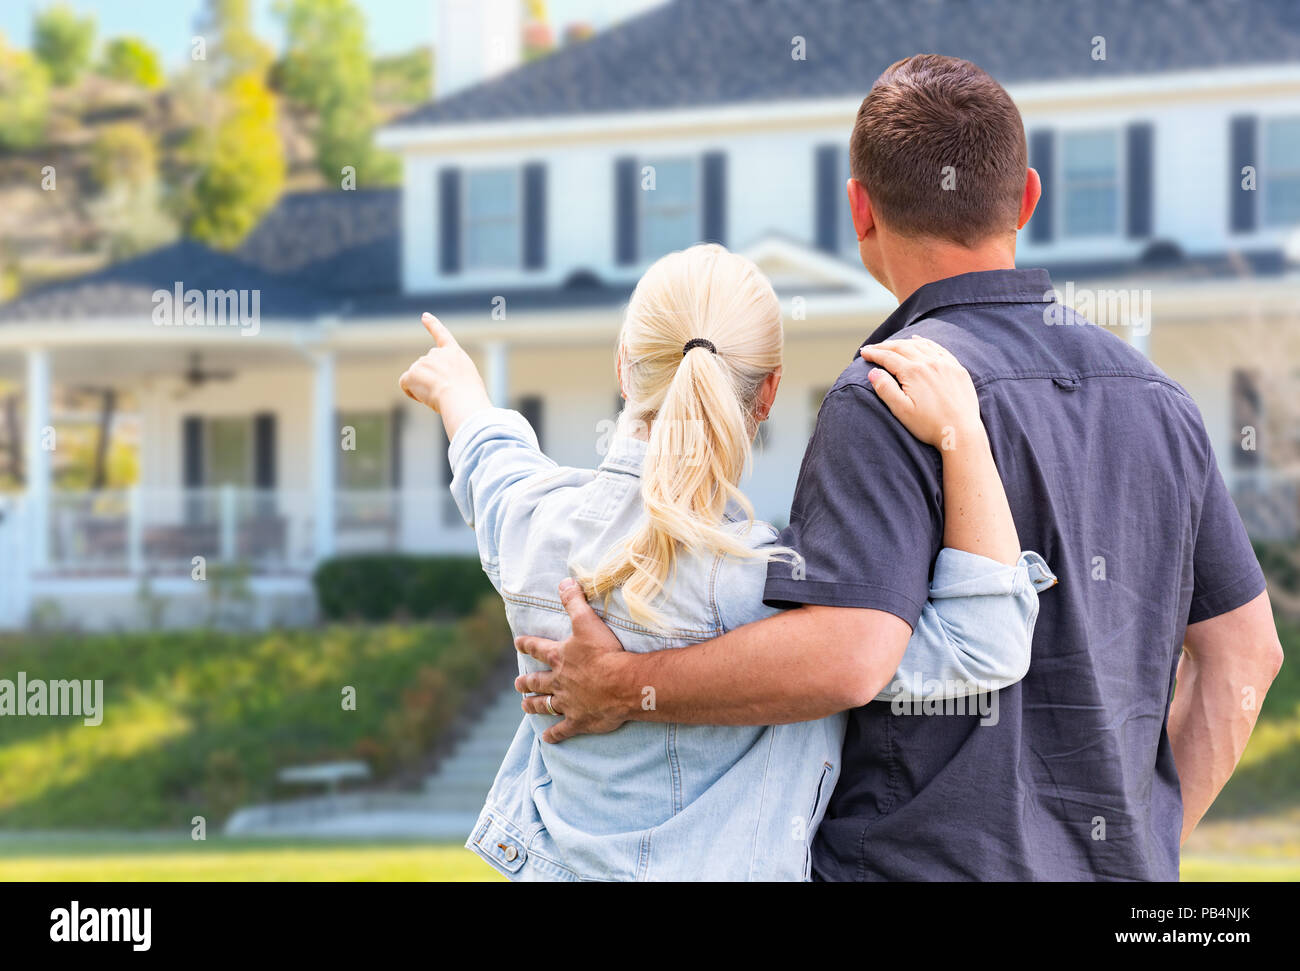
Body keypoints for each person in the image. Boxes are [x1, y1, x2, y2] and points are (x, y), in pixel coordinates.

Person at [510, 55, 1285, 881]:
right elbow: (1247, 655)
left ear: (860, 210)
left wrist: (630, 685)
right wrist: (1139, 843)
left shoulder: (881, 393)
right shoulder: (1161, 402)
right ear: (1026, 197)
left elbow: (848, 654)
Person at [399, 243, 1053, 880]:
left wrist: (459, 392)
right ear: (767, 395)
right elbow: (983, 640)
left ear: (624, 366)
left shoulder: (532, 525)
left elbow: (491, 461)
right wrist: (960, 434)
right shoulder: (781, 591)